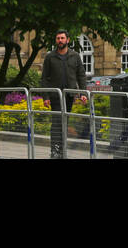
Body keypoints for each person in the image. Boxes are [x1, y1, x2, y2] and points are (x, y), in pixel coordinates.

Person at [40, 30, 88, 158]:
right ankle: (55, 151)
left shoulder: (75, 56)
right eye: (58, 38)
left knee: (64, 122)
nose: (60, 40)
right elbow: (44, 78)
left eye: (62, 38)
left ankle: (62, 150)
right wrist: (45, 97)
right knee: (56, 123)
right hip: (55, 96)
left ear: (68, 40)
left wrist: (83, 93)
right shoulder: (50, 57)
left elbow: (81, 76)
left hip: (69, 95)